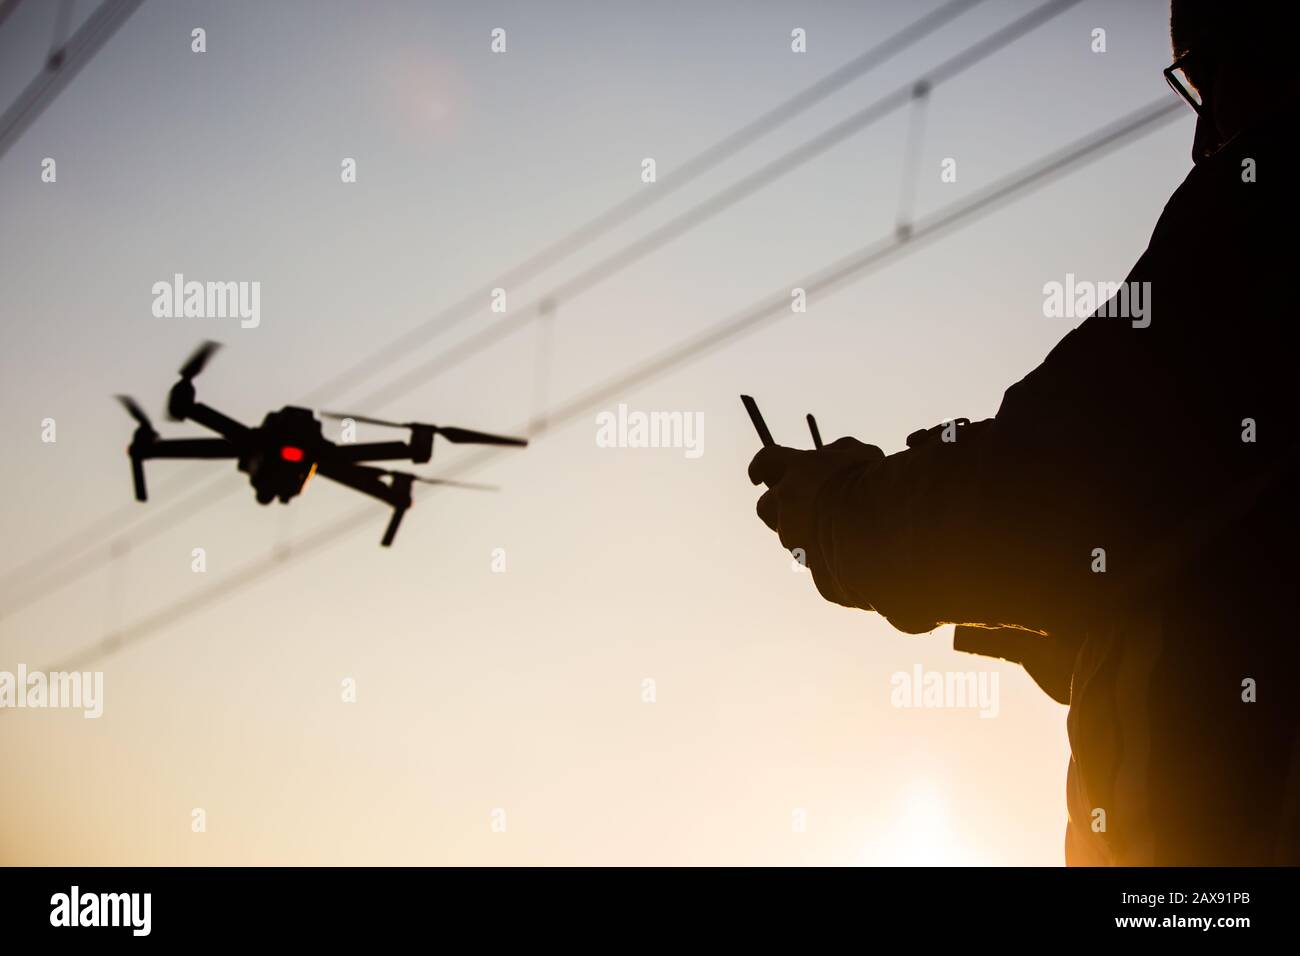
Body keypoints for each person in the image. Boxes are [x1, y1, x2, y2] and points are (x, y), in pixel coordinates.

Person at [748, 1, 1300, 865]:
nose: (1204, 142)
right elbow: (1173, 551)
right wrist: (1016, 614)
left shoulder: (1267, 208)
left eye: (1205, 81)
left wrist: (840, 511)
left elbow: (1054, 482)